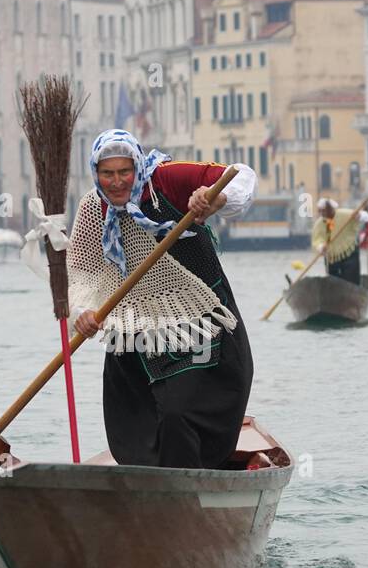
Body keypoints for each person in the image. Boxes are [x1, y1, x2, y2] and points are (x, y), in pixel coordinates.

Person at [70, 128, 256, 470]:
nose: (116, 183)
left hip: (200, 317)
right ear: (95, 174)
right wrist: (82, 310)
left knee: (178, 413)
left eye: (124, 172)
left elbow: (241, 175)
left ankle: (184, 484)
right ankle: (147, 491)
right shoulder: (91, 208)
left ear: (137, 167)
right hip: (135, 324)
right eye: (107, 174)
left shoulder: (166, 179)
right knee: (133, 420)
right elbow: (83, 271)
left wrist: (216, 199)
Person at [310, 197, 361, 284]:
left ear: (332, 209)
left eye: (325, 210)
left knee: (351, 277)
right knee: (334, 280)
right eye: (321, 211)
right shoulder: (319, 223)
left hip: (349, 250)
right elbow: (317, 239)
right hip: (331, 255)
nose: (323, 213)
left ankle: (353, 294)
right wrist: (321, 246)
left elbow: (360, 216)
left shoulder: (345, 214)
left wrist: (358, 216)